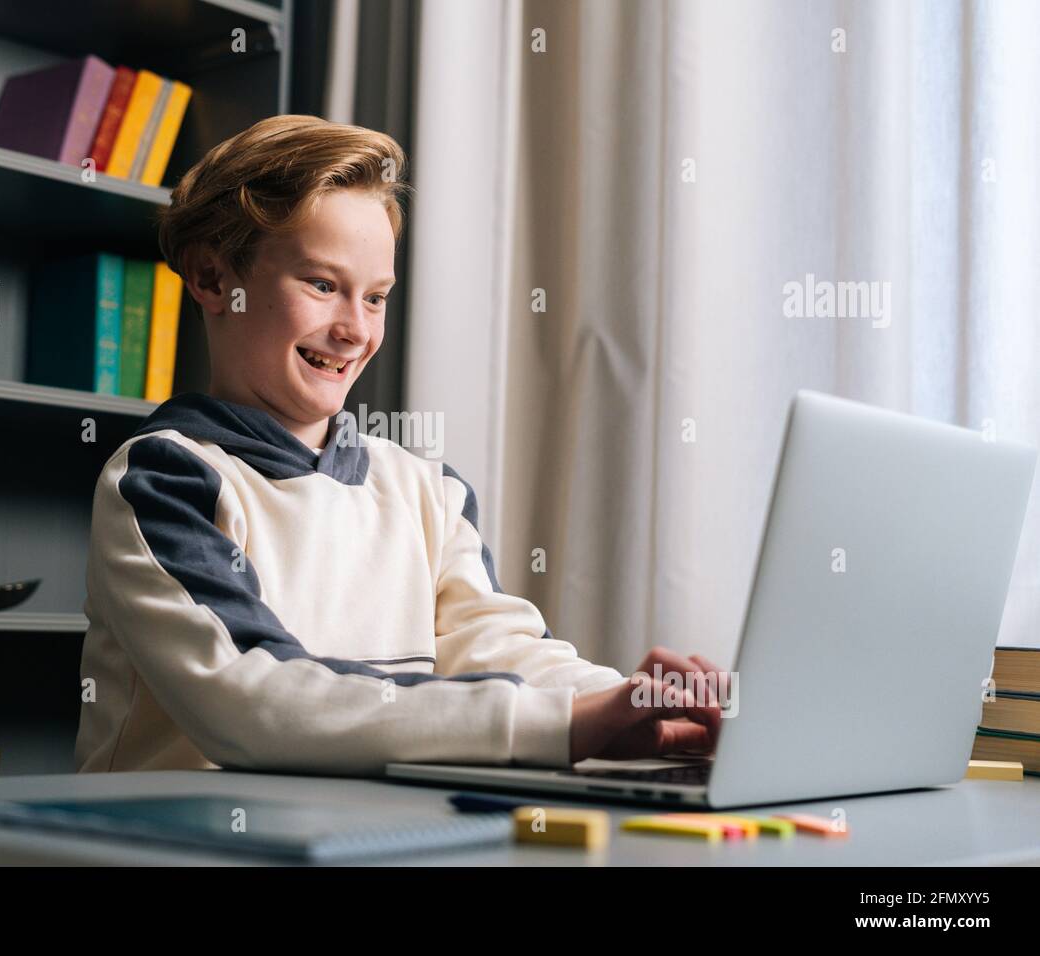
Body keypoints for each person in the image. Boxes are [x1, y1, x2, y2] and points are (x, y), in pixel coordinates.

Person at [75, 115, 723, 774]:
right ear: (214, 280)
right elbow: (256, 700)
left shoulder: (429, 492)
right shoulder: (164, 478)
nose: (355, 329)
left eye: (376, 297)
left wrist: (633, 703)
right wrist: (564, 724)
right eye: (323, 285)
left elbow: (501, 650)